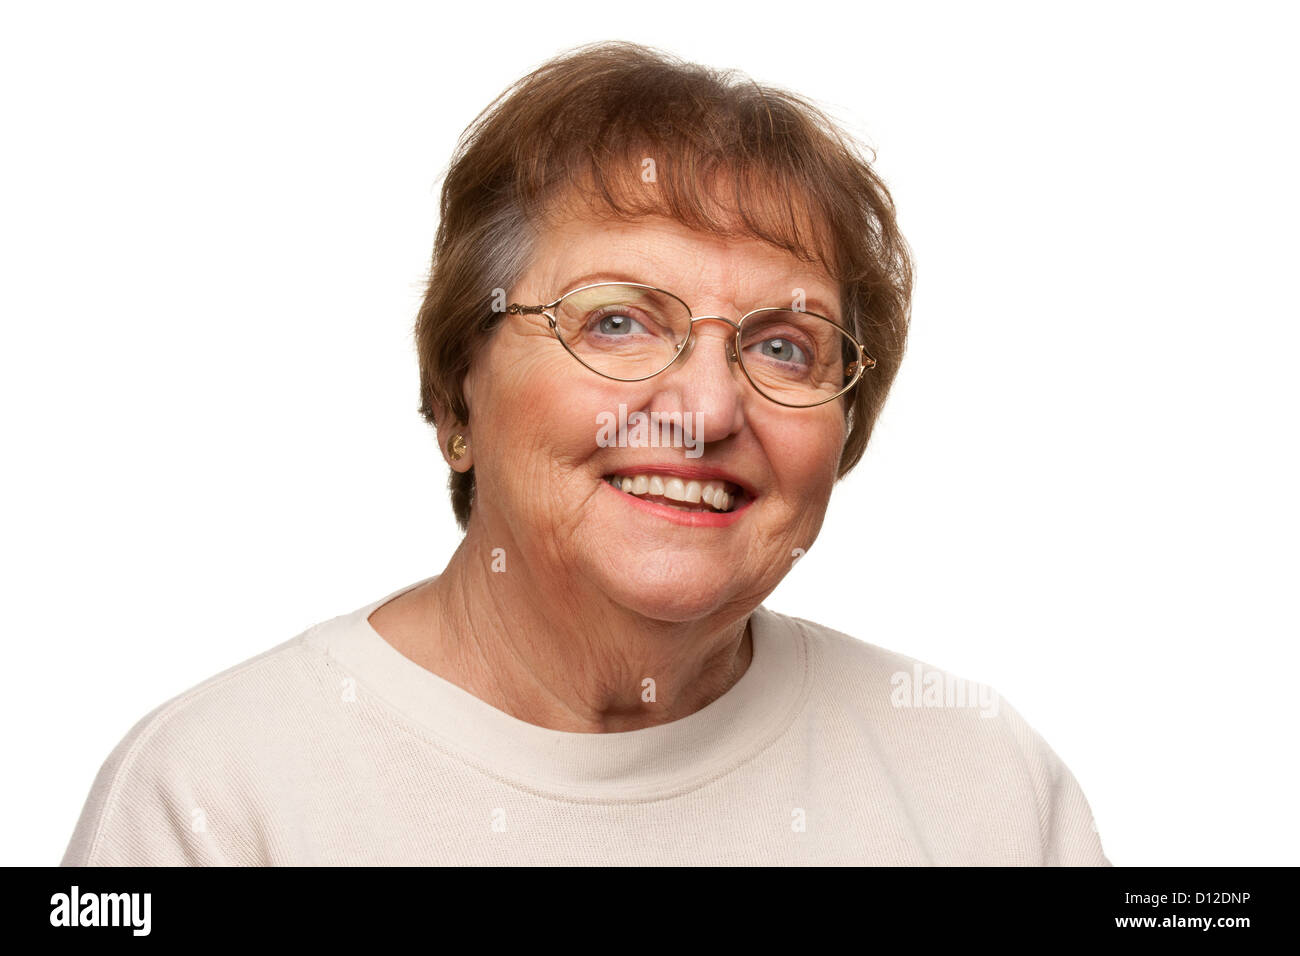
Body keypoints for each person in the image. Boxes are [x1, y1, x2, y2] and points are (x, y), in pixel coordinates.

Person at [61, 40, 1109, 866]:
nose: (703, 408)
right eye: (616, 320)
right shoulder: (215, 793)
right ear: (455, 394)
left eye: (784, 345)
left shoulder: (978, 778)